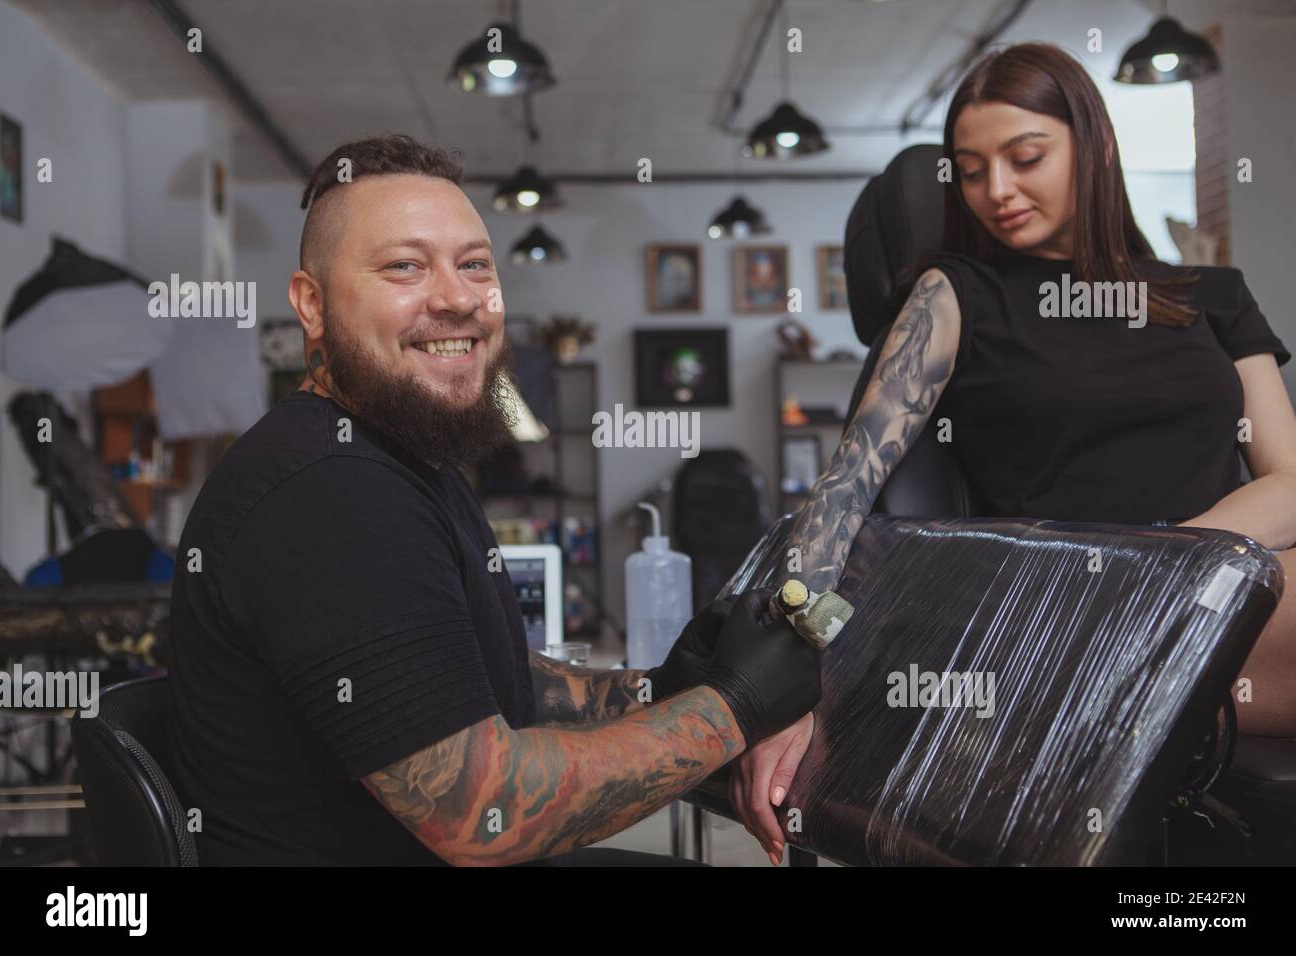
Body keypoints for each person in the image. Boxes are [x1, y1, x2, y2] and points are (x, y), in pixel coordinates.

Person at [166, 134, 821, 866]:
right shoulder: (330, 492)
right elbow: (485, 813)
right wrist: (731, 710)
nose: (456, 298)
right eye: (404, 267)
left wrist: (659, 687)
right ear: (311, 306)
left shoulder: (399, 459)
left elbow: (462, 673)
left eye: (475, 265)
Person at [731, 42, 1296, 864]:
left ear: (1093, 147)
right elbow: (846, 491)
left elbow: (1289, 477)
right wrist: (784, 681)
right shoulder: (957, 294)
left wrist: (1179, 561)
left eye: (1025, 158)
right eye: (970, 170)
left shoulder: (1211, 297)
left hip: (1223, 589)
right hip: (1074, 618)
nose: (997, 190)